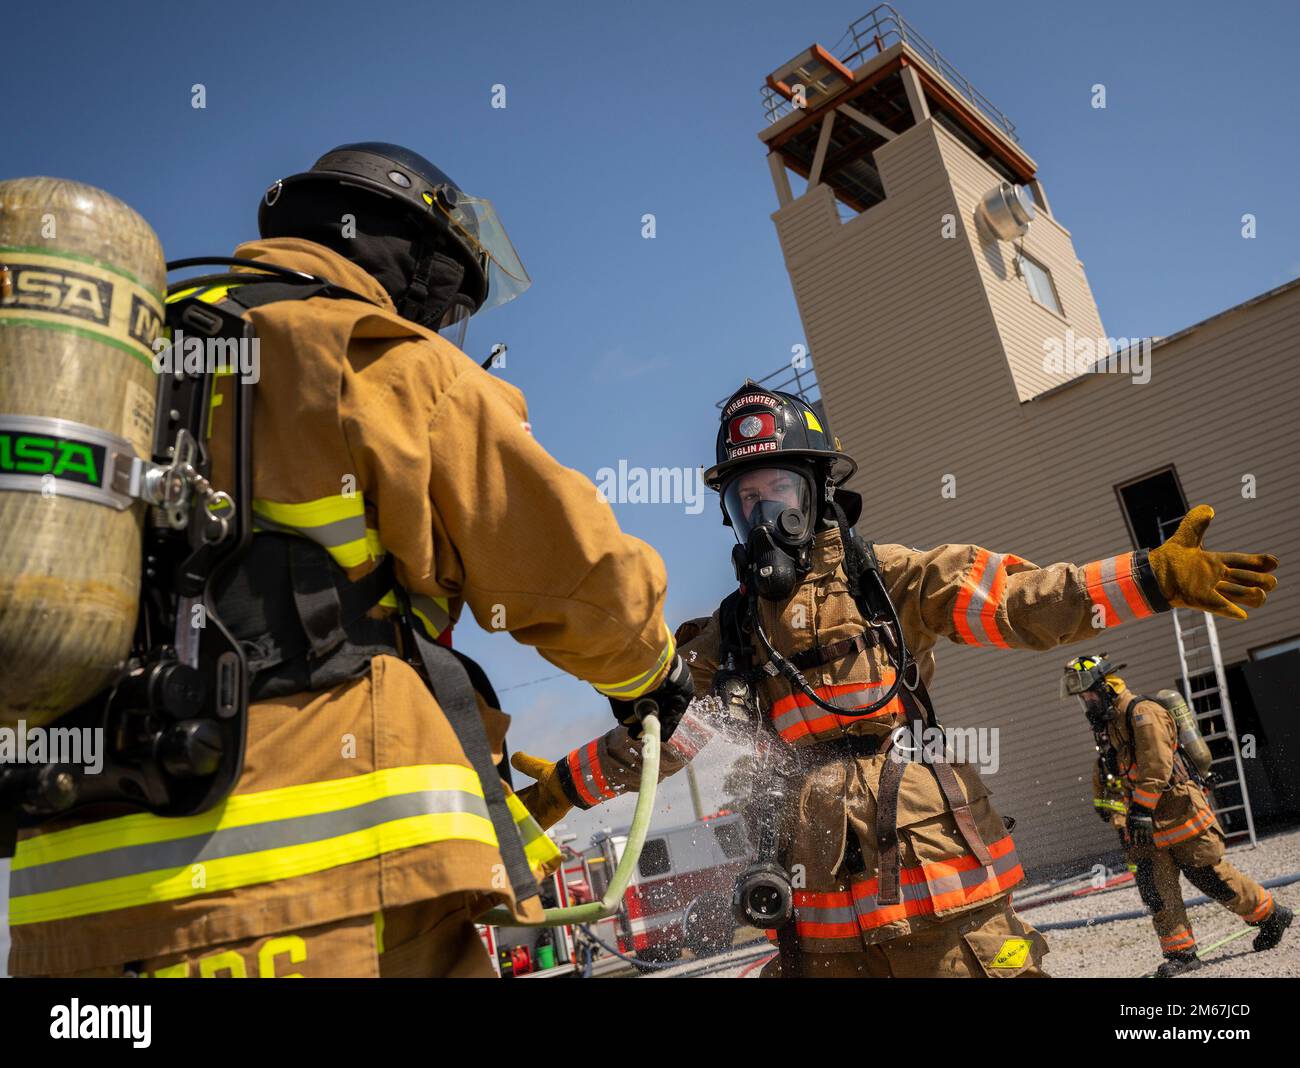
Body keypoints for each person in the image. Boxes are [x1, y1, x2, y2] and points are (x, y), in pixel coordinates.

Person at [6, 142, 692, 978]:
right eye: (447, 293)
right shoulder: (377, 355)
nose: (442, 321)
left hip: (68, 912)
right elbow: (574, 567)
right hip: (322, 891)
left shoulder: (120, 363)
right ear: (409, 256)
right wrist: (651, 674)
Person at [512, 381, 1280, 978]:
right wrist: (553, 798)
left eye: (775, 492)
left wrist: (1149, 576)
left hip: (939, 886)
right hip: (817, 911)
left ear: (813, 493)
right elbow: (662, 739)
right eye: (744, 501)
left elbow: (1018, 605)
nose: (760, 514)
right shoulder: (733, 634)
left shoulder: (893, 581)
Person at [1064, 655, 1292, 977]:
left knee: (1210, 877)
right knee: (1155, 887)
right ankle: (1182, 954)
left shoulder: (1143, 714)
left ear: (1107, 688)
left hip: (1178, 811)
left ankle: (1271, 916)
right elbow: (1109, 769)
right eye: (1082, 698)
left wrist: (1141, 808)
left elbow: (1158, 765)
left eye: (1088, 695)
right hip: (1145, 823)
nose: (1086, 703)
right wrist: (1113, 806)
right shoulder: (1110, 725)